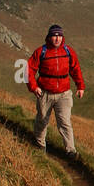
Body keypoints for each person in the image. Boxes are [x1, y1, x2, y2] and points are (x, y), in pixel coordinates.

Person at [27, 24, 85, 155]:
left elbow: (75, 69)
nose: (57, 39)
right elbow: (29, 70)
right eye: (54, 35)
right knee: (42, 120)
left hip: (64, 94)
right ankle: (39, 145)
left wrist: (80, 86)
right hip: (45, 93)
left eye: (59, 36)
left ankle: (71, 151)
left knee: (65, 122)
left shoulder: (68, 51)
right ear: (49, 37)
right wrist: (33, 87)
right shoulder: (41, 51)